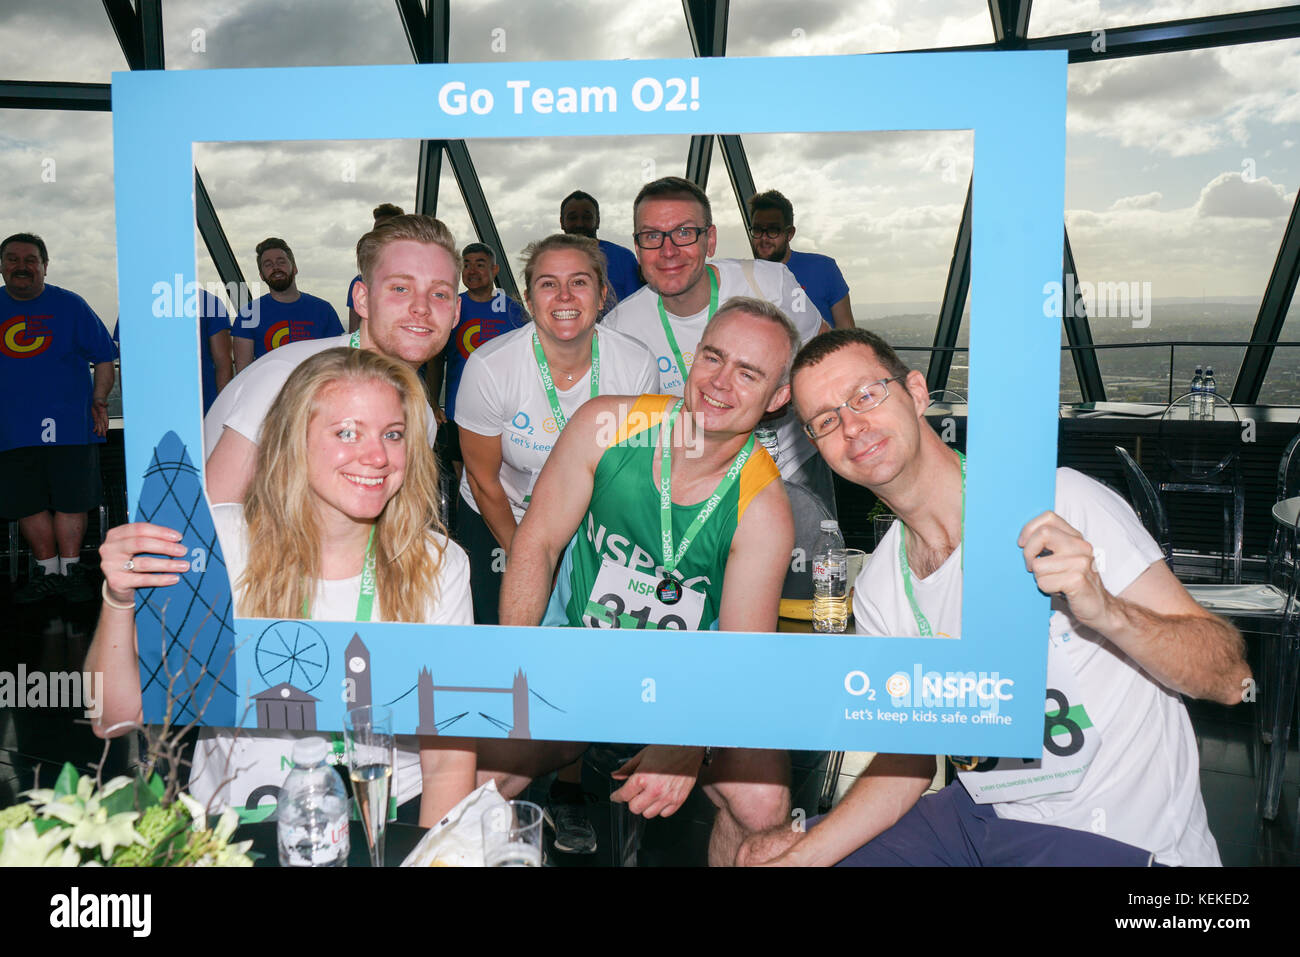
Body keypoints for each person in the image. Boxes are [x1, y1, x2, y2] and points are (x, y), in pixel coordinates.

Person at [737, 328, 1252, 867]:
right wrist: (803, 859)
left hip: (1120, 840)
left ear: (916, 393)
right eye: (824, 420)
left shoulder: (1060, 503)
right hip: (984, 820)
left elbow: (1231, 679)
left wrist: (1108, 612)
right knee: (763, 854)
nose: (851, 426)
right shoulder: (878, 591)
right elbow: (908, 762)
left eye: (866, 395)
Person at [87, 347, 476, 827]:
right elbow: (114, 718)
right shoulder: (217, 543)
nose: (377, 456)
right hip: (232, 829)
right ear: (294, 439)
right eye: (347, 432)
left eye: (392, 434)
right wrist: (119, 598)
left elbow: (448, 757)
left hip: (387, 815)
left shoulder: (437, 565)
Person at [487, 296, 799, 866]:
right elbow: (538, 542)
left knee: (763, 803)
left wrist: (687, 740)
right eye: (713, 357)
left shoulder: (763, 509)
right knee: (474, 770)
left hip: (683, 681)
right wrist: (519, 665)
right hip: (576, 656)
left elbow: (741, 653)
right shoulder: (606, 427)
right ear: (692, 358)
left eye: (748, 373)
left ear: (778, 397)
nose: (720, 382)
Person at [602, 176, 834, 508]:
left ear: (709, 240)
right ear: (638, 249)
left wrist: (785, 400)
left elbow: (824, 353)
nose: (668, 251)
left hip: (789, 469)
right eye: (652, 236)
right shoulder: (620, 329)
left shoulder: (768, 284)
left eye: (684, 232)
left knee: (813, 559)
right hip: (691, 488)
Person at [204, 214, 461, 505]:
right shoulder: (286, 380)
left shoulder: (420, 416)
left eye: (440, 294)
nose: (421, 307)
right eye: (400, 288)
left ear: (455, 312)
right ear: (362, 299)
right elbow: (214, 513)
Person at [0, 232, 117, 603]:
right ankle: (45, 572)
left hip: (70, 425)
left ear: (44, 267)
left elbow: (103, 357)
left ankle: (70, 573)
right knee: (26, 502)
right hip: (10, 428)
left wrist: (99, 400)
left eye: (30, 260)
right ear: (2, 267)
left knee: (72, 500)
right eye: (13, 259)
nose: (22, 266)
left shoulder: (71, 305)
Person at [427, 242, 529, 498]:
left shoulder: (512, 308)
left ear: (495, 270)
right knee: (465, 484)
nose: (472, 270)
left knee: (503, 480)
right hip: (459, 411)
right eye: (466, 264)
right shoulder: (451, 307)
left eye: (480, 264)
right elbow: (436, 359)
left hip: (507, 410)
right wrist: (431, 402)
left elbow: (530, 355)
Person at [232, 238, 344, 373]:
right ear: (261, 275)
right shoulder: (248, 315)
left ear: (295, 268)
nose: (275, 267)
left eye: (281, 262)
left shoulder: (323, 310)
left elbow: (338, 363)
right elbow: (243, 374)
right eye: (268, 264)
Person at [748, 189, 855, 331]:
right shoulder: (745, 276)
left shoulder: (823, 269)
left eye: (773, 230)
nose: (764, 238)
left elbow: (847, 332)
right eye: (757, 230)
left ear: (790, 233)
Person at [114, 289, 232, 414]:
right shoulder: (208, 301)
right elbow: (223, 363)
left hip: (177, 409)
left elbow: (127, 367)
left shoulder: (134, 304)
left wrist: (133, 412)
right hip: (198, 409)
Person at [560, 189, 643, 311]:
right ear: (562, 222)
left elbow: (638, 307)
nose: (579, 224)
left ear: (597, 221)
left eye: (587, 218)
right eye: (572, 218)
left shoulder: (623, 258)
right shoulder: (550, 262)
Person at [347, 203, 406, 333]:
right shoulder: (360, 282)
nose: (378, 235)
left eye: (385, 229)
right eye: (376, 230)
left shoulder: (416, 280)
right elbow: (353, 331)